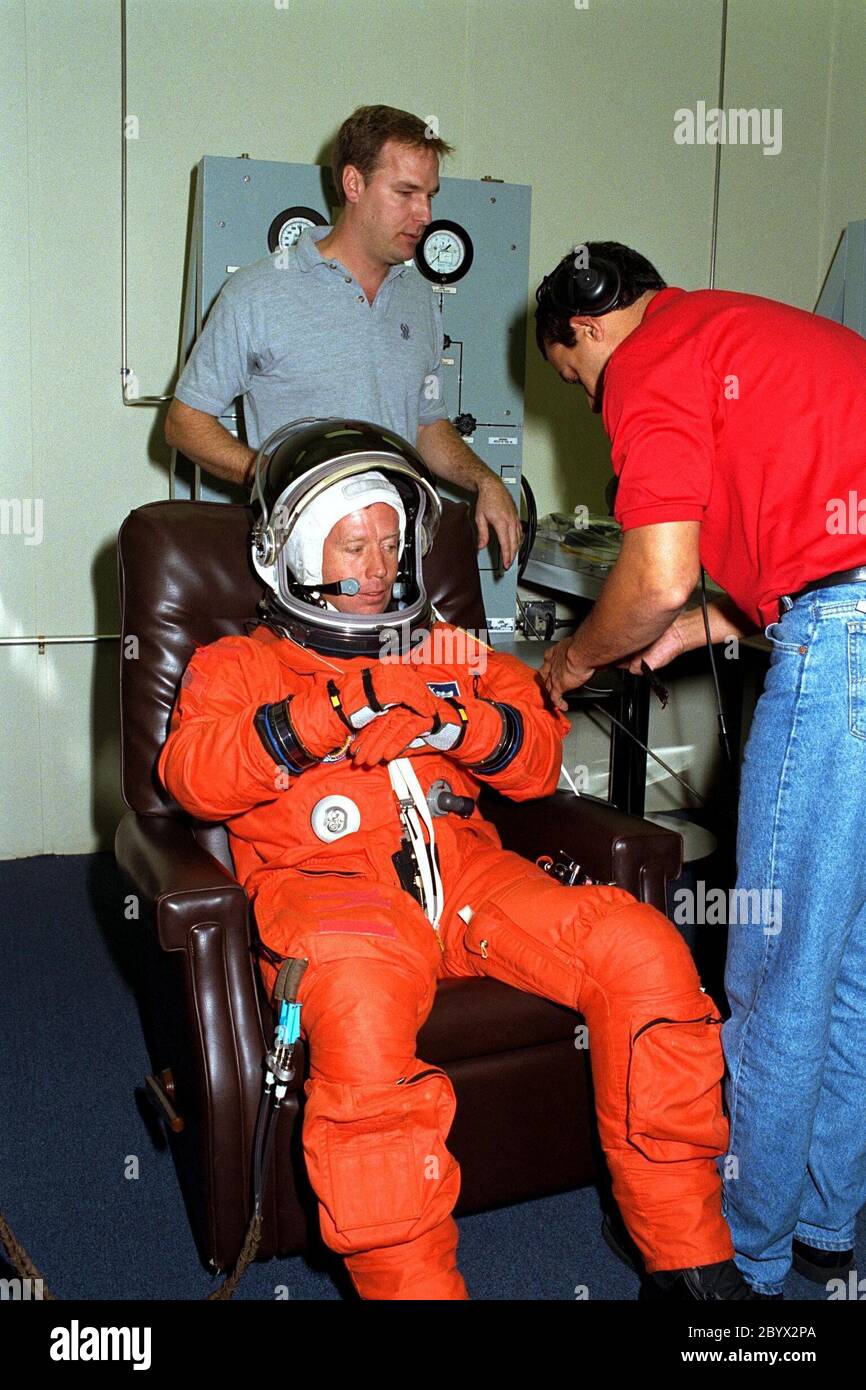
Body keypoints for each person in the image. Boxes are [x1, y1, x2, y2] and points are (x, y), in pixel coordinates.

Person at [157, 416, 757, 1302]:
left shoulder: (446, 647)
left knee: (645, 951)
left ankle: (690, 1258)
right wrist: (335, 708)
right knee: (361, 1026)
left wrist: (457, 724)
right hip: (334, 902)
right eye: (351, 545)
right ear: (286, 554)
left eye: (391, 544)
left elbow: (538, 756)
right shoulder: (238, 664)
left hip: (473, 883)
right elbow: (194, 779)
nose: (375, 568)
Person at [535, 240, 866, 1297]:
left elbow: (656, 565)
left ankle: (735, 1257)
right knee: (850, 961)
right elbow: (813, 533)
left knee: (772, 970)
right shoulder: (744, 326)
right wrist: (696, 629)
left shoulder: (646, 359)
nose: (590, 400)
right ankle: (822, 1220)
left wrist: (574, 655)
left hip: (846, 642)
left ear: (582, 329)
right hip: (842, 607)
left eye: (572, 379)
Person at [164, 103, 521, 571]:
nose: (425, 214)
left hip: (397, 559)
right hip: (300, 563)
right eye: (406, 193)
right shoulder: (258, 292)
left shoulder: (419, 298)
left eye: (430, 194)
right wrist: (270, 475)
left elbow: (426, 426)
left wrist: (485, 481)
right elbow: (184, 422)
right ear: (354, 184)